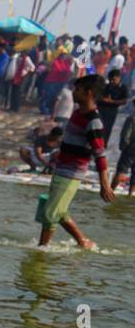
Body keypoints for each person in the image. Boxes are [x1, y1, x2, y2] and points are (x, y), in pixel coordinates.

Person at [37, 74, 115, 248]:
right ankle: (82, 241)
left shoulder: (93, 121)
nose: (73, 92)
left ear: (88, 93)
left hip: (72, 172)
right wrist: (58, 153)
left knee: (50, 212)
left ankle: (41, 250)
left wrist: (104, 183)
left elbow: (100, 154)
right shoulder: (77, 113)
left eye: (77, 89)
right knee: (57, 209)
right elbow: (71, 139)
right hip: (61, 167)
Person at [97, 68, 129, 146]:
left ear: (119, 78)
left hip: (112, 111)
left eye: (114, 79)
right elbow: (98, 96)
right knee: (97, 127)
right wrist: (102, 99)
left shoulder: (123, 88)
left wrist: (112, 102)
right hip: (101, 109)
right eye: (110, 79)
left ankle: (102, 146)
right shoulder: (106, 86)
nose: (112, 81)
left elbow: (124, 101)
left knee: (107, 129)